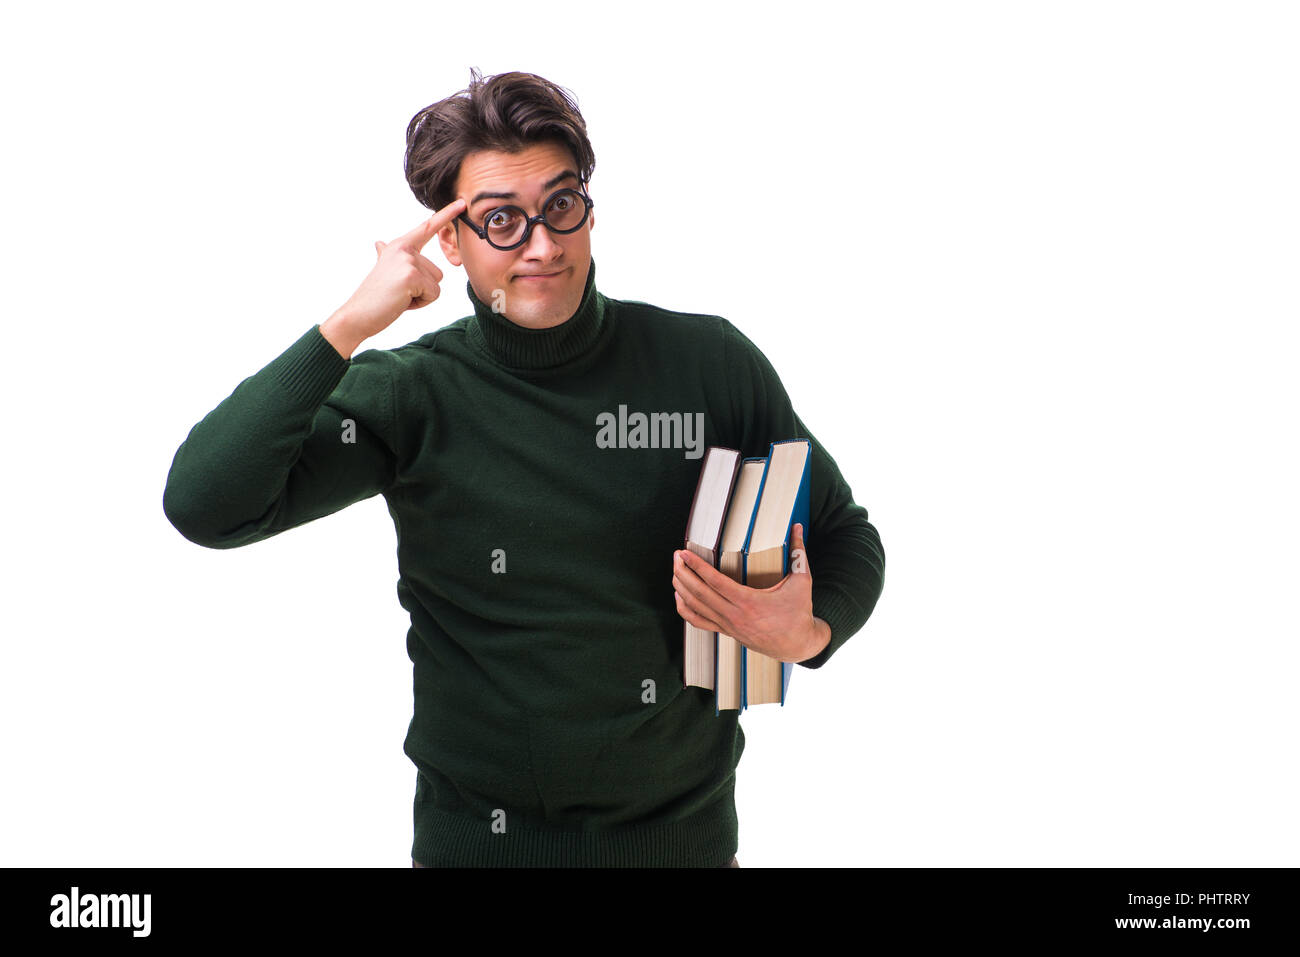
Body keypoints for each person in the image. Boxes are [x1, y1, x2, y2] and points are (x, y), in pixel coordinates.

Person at [162, 68, 885, 868]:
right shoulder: (412, 394)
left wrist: (812, 629)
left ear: (589, 211)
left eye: (561, 206)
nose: (540, 245)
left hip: (683, 847)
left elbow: (845, 533)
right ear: (449, 240)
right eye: (500, 220)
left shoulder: (709, 363)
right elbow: (206, 503)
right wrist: (345, 326)